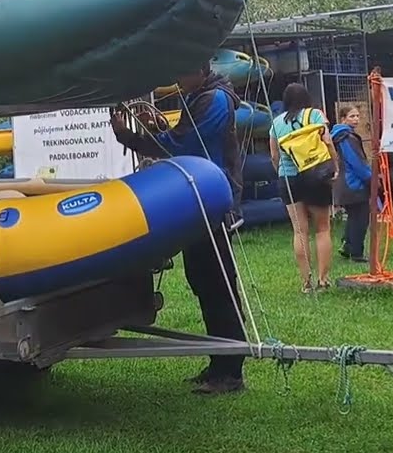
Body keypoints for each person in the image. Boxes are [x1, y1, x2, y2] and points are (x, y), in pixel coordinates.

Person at [110, 66, 246, 395]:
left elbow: (181, 144)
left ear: (200, 71)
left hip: (210, 204)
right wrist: (157, 127)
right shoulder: (201, 95)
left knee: (218, 286)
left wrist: (129, 135)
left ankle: (230, 370)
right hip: (198, 201)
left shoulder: (213, 99)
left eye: (182, 75)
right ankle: (220, 363)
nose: (178, 82)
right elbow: (183, 137)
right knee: (204, 282)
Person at [268, 82, 339, 293]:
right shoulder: (315, 115)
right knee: (322, 228)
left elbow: (274, 155)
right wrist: (334, 166)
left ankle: (306, 282)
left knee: (299, 230)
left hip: (288, 178)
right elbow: (327, 141)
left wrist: (281, 171)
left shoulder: (276, 122)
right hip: (316, 174)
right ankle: (323, 279)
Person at [331, 105, 373, 263]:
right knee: (361, 217)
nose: (356, 119)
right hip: (352, 183)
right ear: (343, 119)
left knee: (354, 216)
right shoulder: (346, 137)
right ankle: (356, 253)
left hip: (342, 183)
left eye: (357, 116)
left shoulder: (338, 136)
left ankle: (347, 246)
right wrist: (370, 178)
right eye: (351, 116)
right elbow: (356, 163)